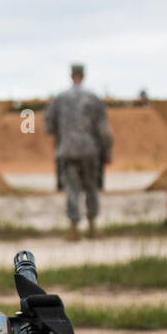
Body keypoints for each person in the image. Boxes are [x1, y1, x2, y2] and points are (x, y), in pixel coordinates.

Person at [44, 63, 113, 240]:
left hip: (67, 150)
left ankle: (74, 229)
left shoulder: (59, 98)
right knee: (91, 187)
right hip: (90, 150)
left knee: (72, 189)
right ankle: (92, 228)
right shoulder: (93, 98)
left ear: (71, 75)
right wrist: (107, 150)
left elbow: (48, 126)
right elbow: (103, 129)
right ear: (83, 75)